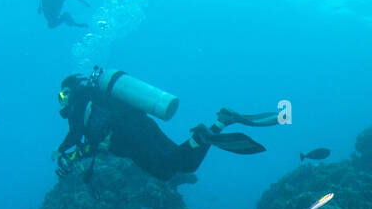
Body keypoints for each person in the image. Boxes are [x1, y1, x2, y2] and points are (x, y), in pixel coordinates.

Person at [55, 68, 278, 182]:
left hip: (131, 138)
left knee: (165, 170)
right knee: (182, 163)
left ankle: (203, 136)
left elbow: (77, 135)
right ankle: (220, 122)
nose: (63, 101)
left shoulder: (79, 102)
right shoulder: (96, 96)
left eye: (62, 96)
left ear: (68, 91)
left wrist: (61, 150)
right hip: (143, 124)